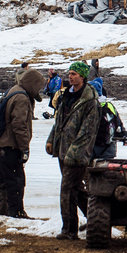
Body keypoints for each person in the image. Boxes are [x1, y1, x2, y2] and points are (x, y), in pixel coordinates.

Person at [44, 61, 100, 240]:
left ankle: (69, 230)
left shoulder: (90, 101)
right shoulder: (66, 96)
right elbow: (58, 122)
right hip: (63, 150)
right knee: (76, 188)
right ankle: (96, 219)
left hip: (77, 155)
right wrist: (51, 140)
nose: (70, 76)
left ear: (82, 76)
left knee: (67, 189)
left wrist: (74, 152)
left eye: (74, 73)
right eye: (70, 73)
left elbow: (88, 131)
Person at [0, 68, 43, 218]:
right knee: (16, 181)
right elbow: (19, 125)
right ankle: (16, 213)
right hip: (11, 146)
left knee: (5, 181)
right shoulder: (22, 98)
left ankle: (5, 213)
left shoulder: (13, 90)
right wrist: (24, 149)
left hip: (3, 145)